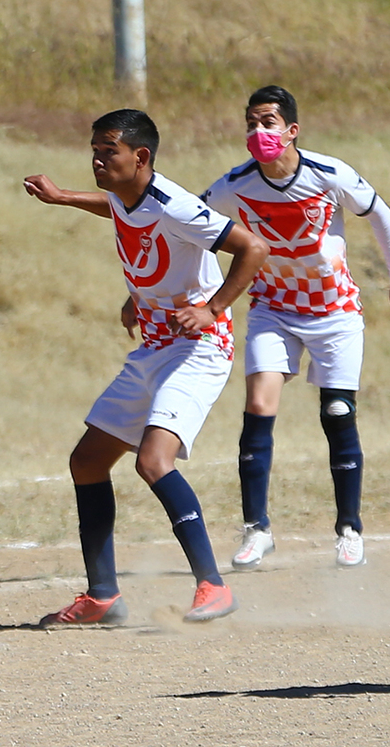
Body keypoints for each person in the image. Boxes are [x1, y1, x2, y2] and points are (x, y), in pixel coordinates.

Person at [22, 109, 267, 626]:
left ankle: (214, 586)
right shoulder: (125, 194)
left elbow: (252, 247)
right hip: (157, 345)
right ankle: (103, 597)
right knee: (87, 461)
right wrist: (64, 198)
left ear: (141, 157)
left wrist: (213, 308)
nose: (97, 160)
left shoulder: (175, 205)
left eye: (107, 151)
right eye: (94, 150)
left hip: (199, 348)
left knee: (153, 461)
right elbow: (118, 210)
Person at [199, 86, 390, 570]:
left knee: (338, 414)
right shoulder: (235, 184)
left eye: (268, 122)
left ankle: (349, 530)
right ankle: (257, 530)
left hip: (335, 312)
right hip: (273, 309)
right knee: (258, 406)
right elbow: (192, 227)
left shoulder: (328, 174)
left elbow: (380, 214)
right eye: (251, 123)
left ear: (292, 130)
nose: (258, 132)